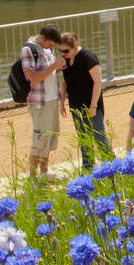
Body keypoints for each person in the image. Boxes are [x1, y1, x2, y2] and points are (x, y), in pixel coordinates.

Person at [58, 31, 112, 170]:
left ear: (75, 46)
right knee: (83, 138)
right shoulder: (65, 60)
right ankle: (88, 167)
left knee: (98, 135)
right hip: (76, 106)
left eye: (66, 50)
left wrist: (93, 105)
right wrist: (62, 101)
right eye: (60, 50)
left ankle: (111, 165)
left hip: (91, 105)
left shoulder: (88, 58)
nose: (63, 53)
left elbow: (98, 82)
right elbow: (64, 82)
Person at [21, 23, 65, 178]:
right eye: (49, 44)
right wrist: (54, 66)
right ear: (41, 37)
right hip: (40, 103)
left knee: (50, 139)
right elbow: (33, 78)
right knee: (39, 141)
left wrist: (59, 67)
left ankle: (44, 173)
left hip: (53, 99)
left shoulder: (48, 48)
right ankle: (32, 178)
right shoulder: (28, 50)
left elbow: (50, 72)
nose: (50, 47)